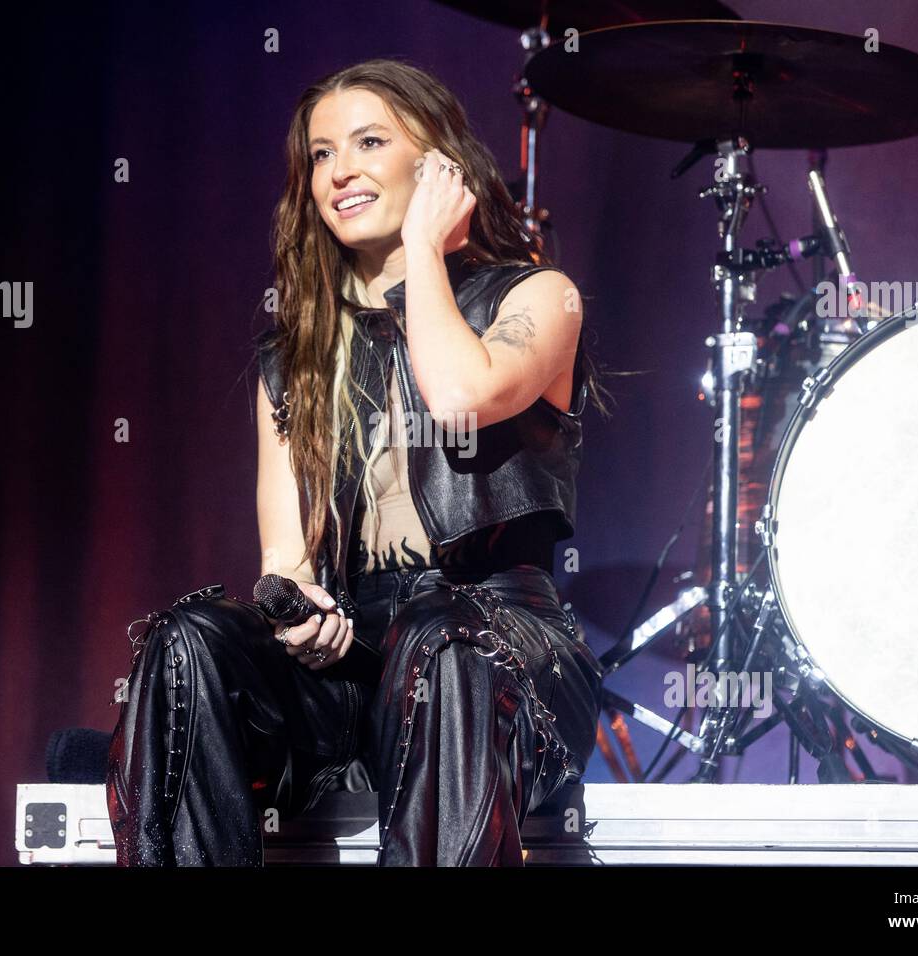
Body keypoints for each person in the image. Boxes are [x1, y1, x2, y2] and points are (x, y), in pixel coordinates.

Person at [106, 58, 613, 866]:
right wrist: (298, 609)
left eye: (369, 142)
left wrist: (421, 250)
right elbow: (286, 557)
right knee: (187, 640)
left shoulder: (537, 297)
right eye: (320, 154)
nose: (339, 170)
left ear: (439, 161)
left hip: (495, 636)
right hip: (357, 661)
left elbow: (457, 396)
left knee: (443, 640)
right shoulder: (295, 355)